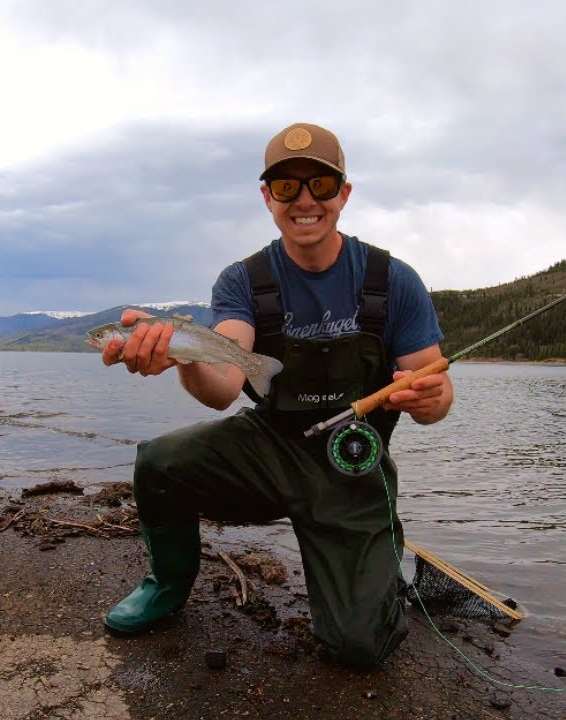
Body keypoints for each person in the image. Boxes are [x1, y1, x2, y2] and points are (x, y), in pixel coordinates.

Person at [97, 122, 454, 668]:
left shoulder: (392, 280)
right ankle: (167, 585)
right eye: (286, 187)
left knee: (359, 649)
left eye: (321, 185)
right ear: (267, 197)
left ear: (345, 194)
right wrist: (184, 360)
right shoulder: (244, 280)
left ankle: (373, 585)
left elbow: (436, 388)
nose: (305, 200)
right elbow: (225, 388)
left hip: (352, 467)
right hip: (268, 449)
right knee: (160, 462)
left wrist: (433, 400)